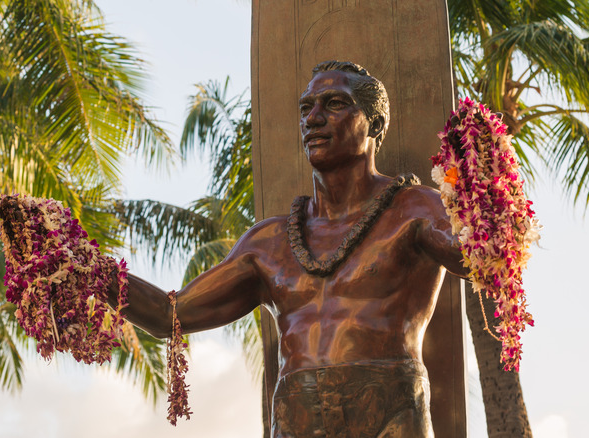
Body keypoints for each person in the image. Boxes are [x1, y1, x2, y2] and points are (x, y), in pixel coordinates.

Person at [110, 61, 467, 438]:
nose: (313, 118)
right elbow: (169, 315)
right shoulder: (269, 242)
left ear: (374, 124)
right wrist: (88, 269)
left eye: (334, 104)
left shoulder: (415, 209)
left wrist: (486, 171)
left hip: (392, 415)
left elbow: (478, 257)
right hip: (296, 421)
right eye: (306, 107)